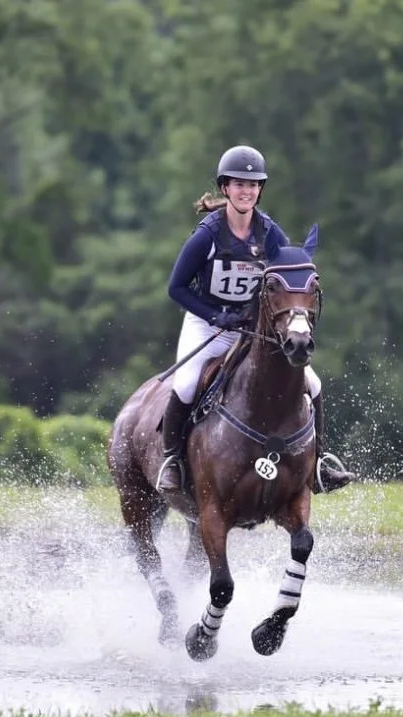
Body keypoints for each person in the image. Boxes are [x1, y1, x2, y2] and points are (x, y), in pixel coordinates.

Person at [157, 144, 356, 496]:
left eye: (252, 185)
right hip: (209, 324)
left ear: (260, 190)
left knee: (313, 383)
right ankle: (172, 460)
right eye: (238, 184)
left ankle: (319, 464)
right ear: (225, 188)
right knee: (187, 383)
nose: (246, 191)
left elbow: (290, 277)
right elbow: (176, 287)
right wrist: (215, 314)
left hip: (253, 330)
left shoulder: (270, 233)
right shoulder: (207, 235)